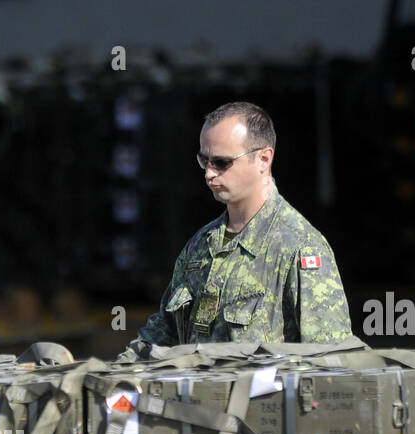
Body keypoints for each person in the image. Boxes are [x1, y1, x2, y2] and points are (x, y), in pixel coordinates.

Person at [120, 101, 353, 356]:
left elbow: (330, 362)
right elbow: (163, 332)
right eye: (203, 160)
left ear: (263, 159)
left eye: (221, 162)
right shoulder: (201, 245)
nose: (209, 174)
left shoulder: (300, 248)